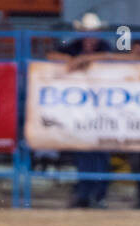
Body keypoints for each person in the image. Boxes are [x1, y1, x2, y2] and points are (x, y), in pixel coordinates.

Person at [49, 12, 116, 208]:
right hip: (81, 112)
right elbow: (51, 55)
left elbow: (112, 58)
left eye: (92, 32)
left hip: (102, 111)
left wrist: (85, 59)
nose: (89, 36)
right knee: (84, 152)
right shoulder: (73, 47)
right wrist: (76, 60)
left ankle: (98, 194)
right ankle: (86, 193)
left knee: (101, 153)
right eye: (86, 32)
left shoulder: (103, 47)